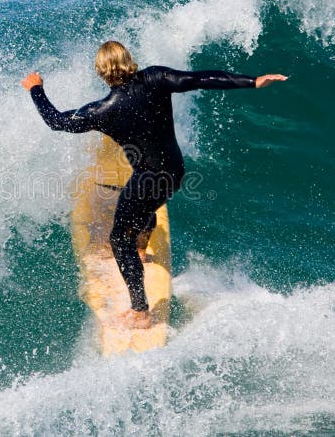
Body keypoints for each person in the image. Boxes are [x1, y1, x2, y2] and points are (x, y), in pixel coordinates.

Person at [21, 41, 286, 329]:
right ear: (128, 60)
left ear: (101, 71)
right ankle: (142, 246)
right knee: (140, 200)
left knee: (118, 238)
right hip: (174, 172)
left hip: (147, 179)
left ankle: (140, 311)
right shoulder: (156, 79)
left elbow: (58, 121)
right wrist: (252, 81)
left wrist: (36, 89)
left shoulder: (101, 110)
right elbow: (200, 79)